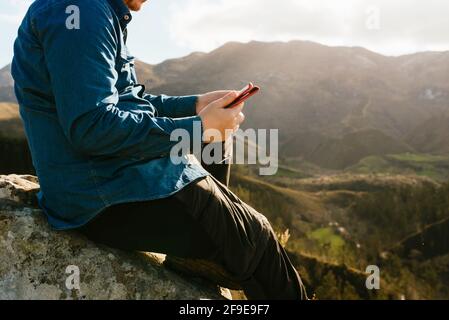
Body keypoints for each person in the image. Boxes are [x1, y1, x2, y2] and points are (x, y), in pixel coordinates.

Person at [11, 0, 307, 300]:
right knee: (256, 236)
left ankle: (204, 254)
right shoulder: (80, 11)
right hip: (101, 193)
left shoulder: (99, 11)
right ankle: (224, 248)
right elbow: (92, 127)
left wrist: (195, 106)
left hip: (115, 174)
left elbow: (128, 103)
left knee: (216, 144)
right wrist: (198, 127)